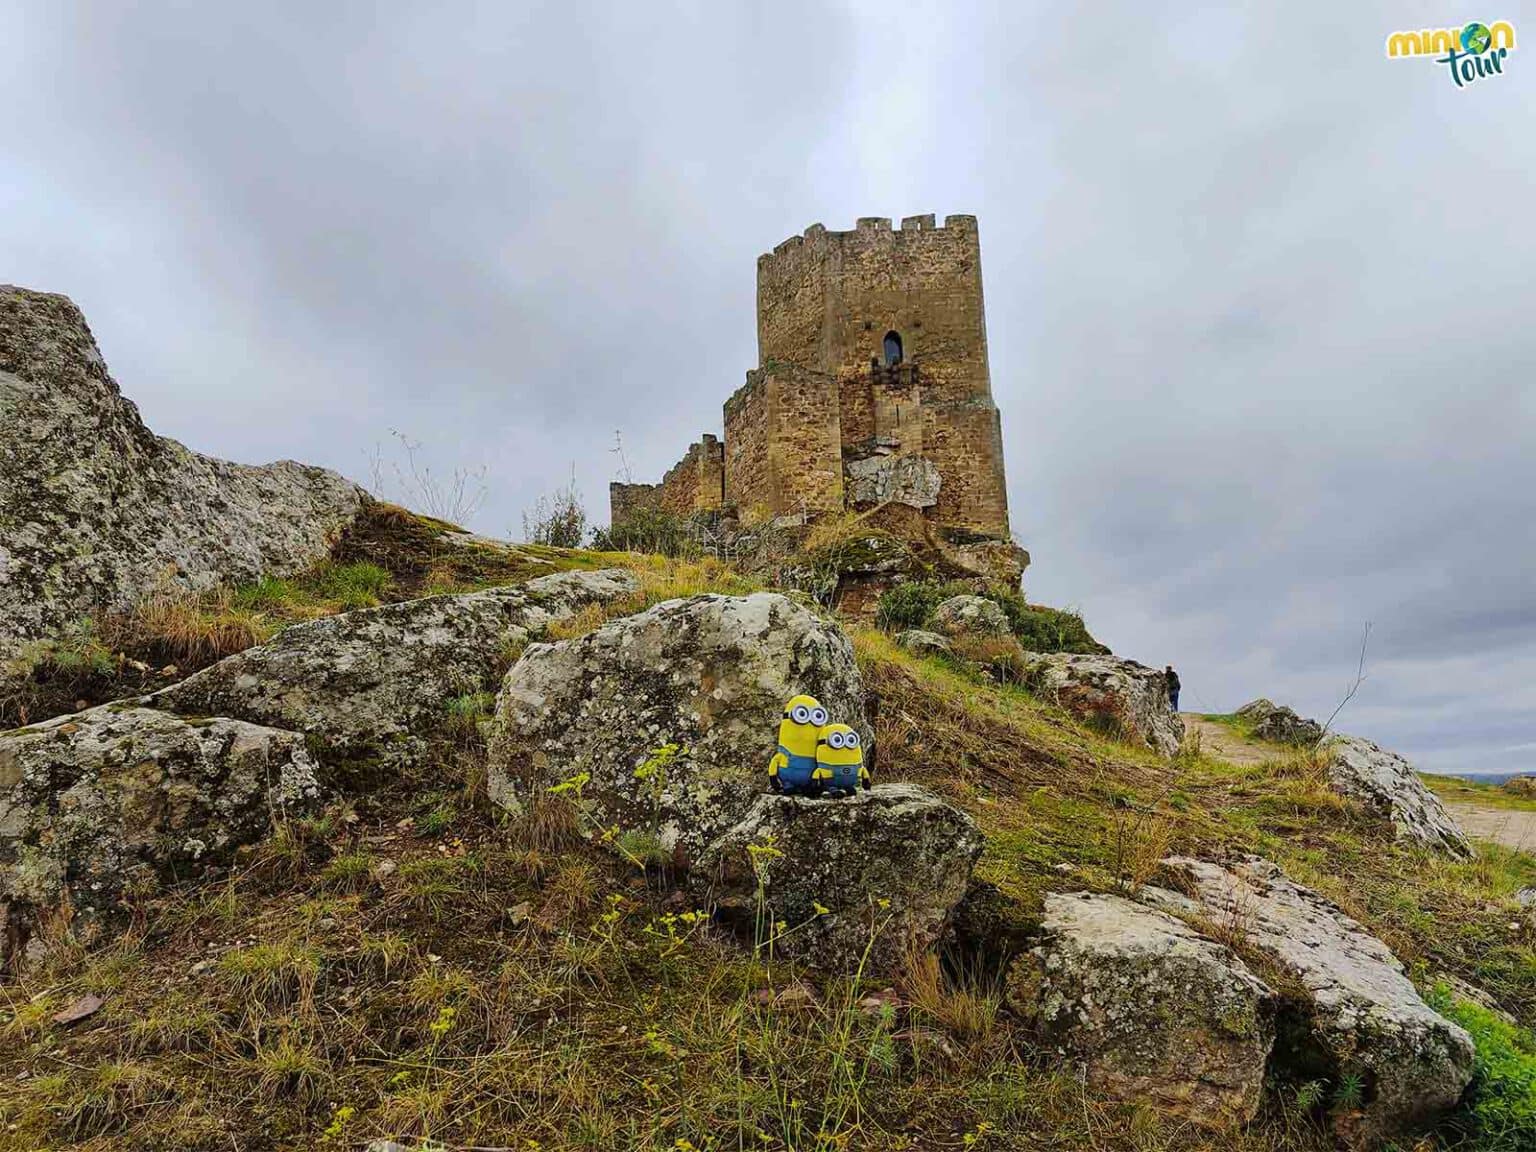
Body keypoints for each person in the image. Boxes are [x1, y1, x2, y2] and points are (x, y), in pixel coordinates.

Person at [769, 694, 828, 795]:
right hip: (789, 777)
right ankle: (789, 786)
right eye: (801, 714)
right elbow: (775, 761)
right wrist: (773, 779)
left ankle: (809, 787)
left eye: (817, 716)